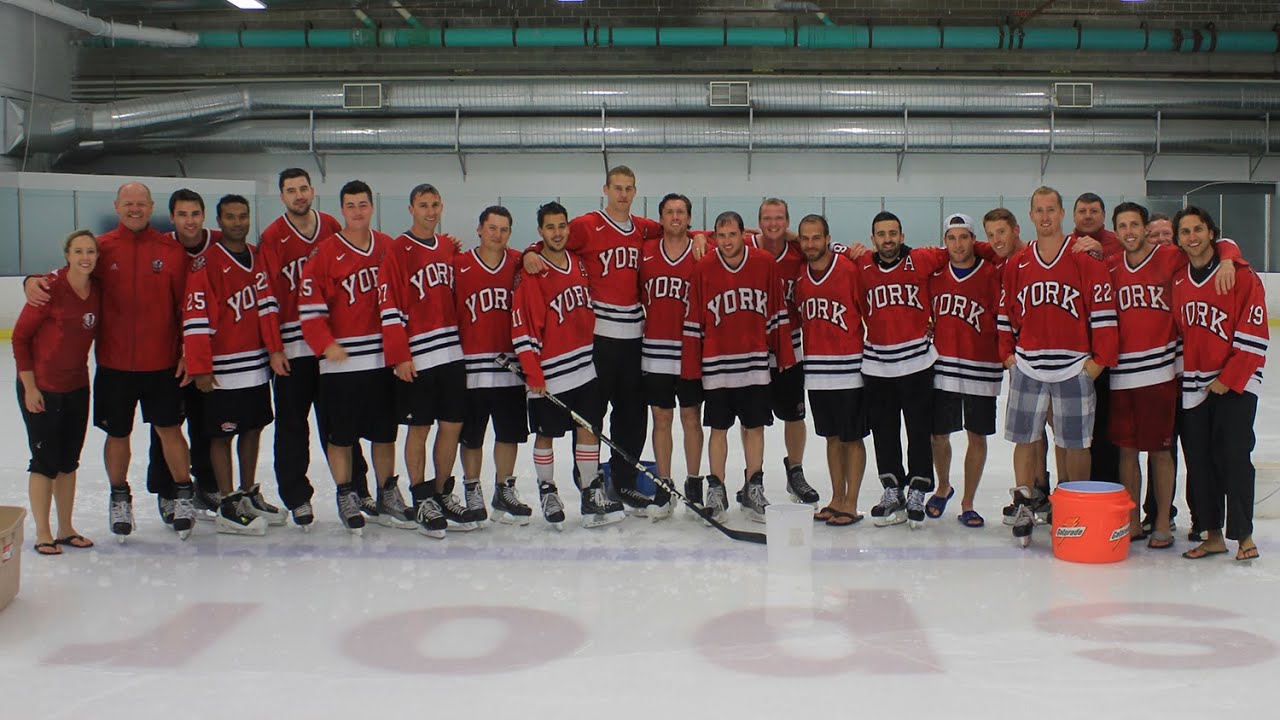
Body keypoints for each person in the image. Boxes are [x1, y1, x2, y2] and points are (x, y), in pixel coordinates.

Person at [26, 182, 195, 542]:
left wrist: (186, 352)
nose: (135, 209)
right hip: (115, 366)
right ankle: (119, 497)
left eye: (141, 204)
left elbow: (186, 307)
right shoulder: (101, 249)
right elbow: (66, 277)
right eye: (128, 203)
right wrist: (30, 281)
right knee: (118, 433)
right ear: (117, 207)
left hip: (162, 363)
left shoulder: (171, 250)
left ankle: (183, 492)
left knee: (170, 430)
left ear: (151, 208)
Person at [522, 166, 662, 512]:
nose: (623, 195)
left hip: (633, 336)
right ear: (606, 189)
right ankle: (589, 483)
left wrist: (703, 235)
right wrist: (528, 252)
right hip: (598, 338)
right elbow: (549, 241)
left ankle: (625, 481)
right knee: (590, 416)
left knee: (632, 415)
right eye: (617, 188)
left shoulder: (642, 228)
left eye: (629, 188)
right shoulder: (586, 224)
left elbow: (675, 228)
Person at [853, 211, 993, 529]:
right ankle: (892, 489)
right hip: (876, 364)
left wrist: (994, 248)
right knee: (884, 432)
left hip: (917, 362)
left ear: (902, 236)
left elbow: (967, 248)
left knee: (920, 431)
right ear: (873, 238)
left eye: (893, 233)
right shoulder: (861, 265)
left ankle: (918, 489)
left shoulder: (923, 258)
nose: (887, 239)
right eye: (881, 234)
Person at [999, 187, 1118, 545]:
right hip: (1030, 367)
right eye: (1039, 210)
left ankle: (1073, 504)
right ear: (1031, 216)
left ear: (1062, 214)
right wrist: (1009, 357)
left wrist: (1098, 363)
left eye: (1052, 209)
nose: (1046, 216)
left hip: (1073, 367)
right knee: (1025, 440)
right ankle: (1024, 502)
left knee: (1076, 444)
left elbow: (1104, 315)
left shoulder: (1083, 258)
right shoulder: (1017, 264)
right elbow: (1004, 316)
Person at [259, 167, 371, 529]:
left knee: (341, 422)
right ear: (282, 197)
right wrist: (274, 348)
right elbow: (267, 299)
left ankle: (356, 487)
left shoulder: (330, 227)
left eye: (303, 188)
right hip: (292, 349)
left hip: (329, 347)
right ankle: (297, 496)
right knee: (292, 426)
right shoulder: (273, 237)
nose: (298, 195)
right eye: (291, 190)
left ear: (312, 190)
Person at [299, 180, 402, 535]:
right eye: (350, 206)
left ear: (371, 207)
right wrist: (325, 344)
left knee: (384, 434)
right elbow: (309, 308)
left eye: (363, 205)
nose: (357, 211)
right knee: (341, 435)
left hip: (380, 360)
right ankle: (346, 493)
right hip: (341, 364)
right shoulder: (325, 254)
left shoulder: (388, 247)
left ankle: (387, 492)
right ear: (341, 210)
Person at [512, 202, 622, 529]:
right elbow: (523, 328)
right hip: (549, 372)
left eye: (562, 226)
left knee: (588, 429)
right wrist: (533, 371)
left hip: (585, 366)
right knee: (546, 435)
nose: (557, 233)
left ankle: (590, 491)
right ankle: (547, 490)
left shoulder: (579, 264)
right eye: (550, 227)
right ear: (540, 231)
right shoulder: (532, 274)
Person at [182, 195, 286, 536]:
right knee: (222, 434)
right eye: (230, 217)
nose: (238, 222)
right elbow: (195, 317)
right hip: (222, 368)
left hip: (255, 364)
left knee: (253, 427)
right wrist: (200, 366)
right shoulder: (206, 264)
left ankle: (246, 491)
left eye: (242, 216)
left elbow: (269, 307)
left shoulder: (258, 257)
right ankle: (227, 501)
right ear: (220, 220)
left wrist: (274, 350)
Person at [682, 211, 796, 523]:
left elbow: (777, 310)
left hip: (755, 363)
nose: (727, 242)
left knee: (754, 427)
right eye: (721, 236)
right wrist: (691, 367)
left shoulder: (763, 263)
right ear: (714, 237)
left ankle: (753, 488)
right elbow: (693, 320)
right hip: (717, 366)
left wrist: (783, 354)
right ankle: (716, 490)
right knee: (718, 429)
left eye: (733, 235)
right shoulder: (704, 266)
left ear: (743, 234)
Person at [380, 183, 475, 538]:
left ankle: (439, 493)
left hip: (451, 351)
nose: (430, 211)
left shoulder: (448, 246)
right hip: (418, 355)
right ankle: (421, 498)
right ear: (411, 209)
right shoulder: (398, 250)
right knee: (419, 428)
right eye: (423, 205)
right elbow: (389, 306)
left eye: (435, 204)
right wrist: (400, 356)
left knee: (452, 424)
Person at [1172, 205, 1267, 562]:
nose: (1192, 237)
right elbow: (1181, 335)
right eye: (1185, 232)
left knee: (1234, 458)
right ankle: (1212, 534)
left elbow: (1254, 333)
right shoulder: (1180, 281)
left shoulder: (1241, 275)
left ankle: (1243, 535)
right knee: (1199, 461)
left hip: (1237, 383)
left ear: (1212, 233)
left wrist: (1228, 379)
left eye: (1198, 229)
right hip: (1195, 387)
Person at [13, 230, 100, 555]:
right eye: (78, 251)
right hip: (42, 389)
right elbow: (20, 339)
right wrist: (30, 387)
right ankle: (43, 533)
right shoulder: (49, 288)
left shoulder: (96, 290)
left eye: (90, 251)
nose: (85, 257)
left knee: (68, 462)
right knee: (44, 462)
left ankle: (66, 528)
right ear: (67, 254)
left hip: (77, 387)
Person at [454, 206, 531, 524]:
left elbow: (538, 249)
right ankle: (472, 488)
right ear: (480, 229)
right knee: (471, 435)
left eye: (503, 229)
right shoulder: (459, 265)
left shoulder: (518, 263)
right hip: (471, 366)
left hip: (509, 366)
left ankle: (504, 488)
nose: (497, 235)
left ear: (509, 233)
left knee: (508, 433)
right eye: (492, 228)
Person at [148, 188, 220, 525]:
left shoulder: (221, 244)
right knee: (166, 426)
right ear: (172, 217)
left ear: (203, 215)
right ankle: (167, 490)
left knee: (207, 425)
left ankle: (206, 486)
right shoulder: (160, 248)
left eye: (195, 213)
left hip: (210, 356)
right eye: (182, 214)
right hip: (168, 357)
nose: (189, 221)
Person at [928, 214, 1004, 529]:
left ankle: (968, 502)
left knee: (977, 434)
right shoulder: (933, 274)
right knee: (938, 434)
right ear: (944, 242)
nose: (958, 244)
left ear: (974, 240)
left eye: (964, 237)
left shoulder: (992, 272)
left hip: (982, 366)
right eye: (951, 238)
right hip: (942, 366)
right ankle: (943, 486)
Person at [793, 214, 866, 526]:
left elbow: (869, 310)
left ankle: (852, 502)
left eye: (816, 238)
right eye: (805, 239)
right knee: (832, 438)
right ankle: (837, 497)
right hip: (817, 372)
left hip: (850, 369)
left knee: (852, 438)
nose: (811, 244)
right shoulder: (800, 276)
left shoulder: (850, 269)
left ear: (827, 238)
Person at [984, 208, 1052, 523]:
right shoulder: (999, 258)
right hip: (1023, 360)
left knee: (1053, 428)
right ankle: (1033, 492)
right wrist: (1009, 357)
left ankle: (1051, 491)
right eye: (990, 234)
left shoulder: (1032, 256)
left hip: (1051, 358)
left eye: (1002, 232)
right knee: (1031, 430)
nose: (996, 240)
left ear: (1015, 229)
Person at [638, 193, 703, 519]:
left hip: (691, 350)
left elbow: (748, 236)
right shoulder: (645, 252)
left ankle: (693, 485)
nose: (675, 217)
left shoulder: (703, 249)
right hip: (656, 350)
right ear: (661, 218)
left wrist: (704, 236)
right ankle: (664, 487)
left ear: (689, 218)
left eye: (681, 211)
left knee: (691, 418)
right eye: (669, 212)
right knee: (661, 419)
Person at [750, 198, 818, 506]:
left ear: (787, 221)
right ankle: (753, 480)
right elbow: (708, 235)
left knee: (794, 416)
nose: (773, 223)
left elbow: (833, 249)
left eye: (779, 218)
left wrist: (794, 237)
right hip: (753, 349)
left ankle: (796, 473)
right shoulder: (746, 247)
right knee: (752, 419)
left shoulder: (800, 253)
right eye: (767, 218)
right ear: (759, 220)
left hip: (790, 346)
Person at [1070, 192, 1123, 487]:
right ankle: (1076, 490)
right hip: (1076, 354)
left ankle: (1108, 489)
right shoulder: (1066, 246)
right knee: (1075, 431)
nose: (1087, 216)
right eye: (1082, 211)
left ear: (1104, 215)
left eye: (1093, 211)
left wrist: (1102, 252)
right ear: (1073, 215)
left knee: (1107, 428)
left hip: (1111, 353)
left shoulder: (1117, 243)